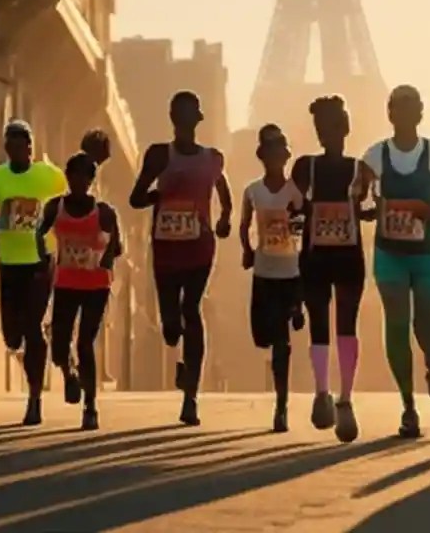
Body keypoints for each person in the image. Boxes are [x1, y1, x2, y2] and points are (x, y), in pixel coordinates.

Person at [355, 85, 430, 438]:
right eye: (397, 108)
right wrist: (367, 206)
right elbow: (356, 192)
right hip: (390, 254)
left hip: (428, 253)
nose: (403, 114)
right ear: (389, 114)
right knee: (397, 324)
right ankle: (407, 405)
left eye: (410, 108)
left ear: (420, 113)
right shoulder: (374, 156)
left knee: (426, 320)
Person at [130, 91, 233, 426]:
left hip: (200, 247)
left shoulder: (212, 158)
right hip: (165, 248)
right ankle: (183, 364)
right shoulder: (160, 155)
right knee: (171, 326)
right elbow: (135, 197)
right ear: (173, 119)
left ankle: (191, 396)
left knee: (192, 309)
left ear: (197, 120)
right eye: (181, 115)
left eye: (191, 115)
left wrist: (223, 220)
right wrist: (157, 195)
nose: (186, 121)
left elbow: (225, 196)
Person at [290, 96, 375, 442]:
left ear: (345, 128)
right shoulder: (305, 167)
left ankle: (341, 397)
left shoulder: (359, 170)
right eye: (321, 127)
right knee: (323, 325)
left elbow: (369, 205)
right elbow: (291, 204)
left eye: (332, 126)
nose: (326, 133)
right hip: (321, 255)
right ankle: (327, 393)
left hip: (341, 253)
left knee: (344, 325)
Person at [0, 120, 68, 426]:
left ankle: (34, 399)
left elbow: (68, 201)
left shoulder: (49, 176)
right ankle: (36, 345)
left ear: (32, 147)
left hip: (41, 261)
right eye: (13, 146)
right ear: (7, 149)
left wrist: (57, 232)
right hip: (9, 262)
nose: (19, 151)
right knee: (12, 336)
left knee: (30, 326)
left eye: (24, 145)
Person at [35, 153, 123, 431]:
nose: (78, 183)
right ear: (68, 177)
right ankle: (69, 373)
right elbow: (39, 232)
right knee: (59, 348)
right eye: (73, 177)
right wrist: (42, 255)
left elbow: (117, 247)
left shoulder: (104, 212)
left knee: (85, 343)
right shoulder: (54, 207)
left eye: (84, 178)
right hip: (65, 283)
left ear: (91, 180)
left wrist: (106, 255)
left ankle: (90, 406)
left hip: (96, 285)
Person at [241, 125, 306, 433]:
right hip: (263, 272)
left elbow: (302, 227)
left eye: (280, 152)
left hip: (290, 273)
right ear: (262, 156)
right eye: (269, 153)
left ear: (286, 155)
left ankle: (281, 405)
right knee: (262, 337)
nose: (275, 158)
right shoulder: (253, 191)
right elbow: (244, 224)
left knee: (282, 342)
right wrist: (247, 250)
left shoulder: (295, 192)